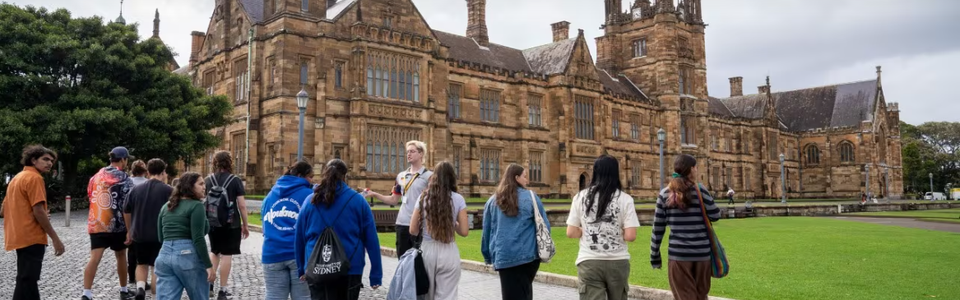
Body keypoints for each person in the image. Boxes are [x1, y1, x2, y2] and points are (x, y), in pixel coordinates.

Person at [295, 159, 382, 300]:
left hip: (316, 265)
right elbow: (371, 239)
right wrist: (376, 274)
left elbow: (299, 238)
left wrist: (301, 268)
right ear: (345, 176)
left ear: (324, 174)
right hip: (350, 266)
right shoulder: (358, 201)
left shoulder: (310, 200)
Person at [565, 155, 640, 300]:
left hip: (589, 260)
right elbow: (630, 236)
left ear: (595, 172)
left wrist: (585, 230)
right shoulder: (626, 199)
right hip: (618, 261)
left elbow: (571, 232)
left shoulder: (580, 197)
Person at [651, 154, 721, 300]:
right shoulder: (701, 190)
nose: (697, 170)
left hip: (679, 255)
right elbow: (715, 215)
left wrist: (655, 255)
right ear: (691, 169)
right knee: (701, 296)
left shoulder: (665, 193)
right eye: (696, 167)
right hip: (702, 255)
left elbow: (658, 229)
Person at [3, 145, 65, 300]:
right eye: (45, 159)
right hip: (32, 236)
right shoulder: (35, 178)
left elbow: (3, 210)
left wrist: (26, 213)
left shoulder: (16, 178)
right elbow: (38, 210)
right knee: (28, 280)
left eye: (51, 161)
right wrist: (55, 239)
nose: (49, 163)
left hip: (18, 236)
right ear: (33, 160)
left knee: (26, 279)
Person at [481, 164, 549, 300]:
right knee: (524, 292)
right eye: (525, 177)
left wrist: (487, 255)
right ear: (516, 178)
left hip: (504, 256)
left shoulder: (492, 201)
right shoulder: (531, 197)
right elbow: (545, 226)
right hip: (528, 257)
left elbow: (487, 231)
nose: (527, 180)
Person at [409, 161, 469, 300]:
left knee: (427, 295)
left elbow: (412, 229)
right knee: (448, 296)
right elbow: (464, 231)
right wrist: (453, 223)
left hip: (427, 251)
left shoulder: (423, 197)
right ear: (452, 177)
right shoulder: (458, 199)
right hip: (449, 251)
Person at [83, 146, 136, 300]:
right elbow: (127, 206)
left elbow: (90, 195)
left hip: (97, 223)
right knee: (121, 255)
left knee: (94, 258)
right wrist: (129, 229)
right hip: (118, 225)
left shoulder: (95, 177)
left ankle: (86, 293)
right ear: (123, 160)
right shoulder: (125, 179)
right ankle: (124, 290)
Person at [364, 140, 433, 256]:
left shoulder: (429, 176)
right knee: (402, 261)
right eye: (407, 152)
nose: (408, 154)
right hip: (402, 223)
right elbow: (393, 200)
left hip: (421, 225)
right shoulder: (401, 176)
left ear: (421, 154)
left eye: (412, 151)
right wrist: (375, 194)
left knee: (421, 262)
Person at [155, 172, 215, 300]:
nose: (204, 187)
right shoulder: (196, 206)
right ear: (190, 186)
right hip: (187, 256)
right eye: (200, 184)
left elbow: (160, 237)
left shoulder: (166, 206)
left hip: (164, 256)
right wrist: (208, 265)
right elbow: (198, 238)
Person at [261, 161, 314, 300]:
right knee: (303, 297)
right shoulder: (309, 195)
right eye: (310, 176)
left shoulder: (270, 195)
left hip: (272, 252)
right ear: (300, 175)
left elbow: (264, 225)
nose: (312, 180)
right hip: (299, 255)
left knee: (273, 296)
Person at [123, 159, 173, 300]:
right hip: (159, 234)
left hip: (139, 233)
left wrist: (129, 230)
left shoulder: (136, 189)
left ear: (148, 172)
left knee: (141, 263)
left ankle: (140, 288)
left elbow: (126, 210)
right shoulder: (169, 190)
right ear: (163, 172)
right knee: (156, 266)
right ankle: (155, 295)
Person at [205, 151, 250, 300]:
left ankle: (209, 285)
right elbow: (242, 205)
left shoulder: (208, 180)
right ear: (229, 162)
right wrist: (245, 225)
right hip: (231, 223)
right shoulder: (235, 180)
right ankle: (223, 290)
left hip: (212, 222)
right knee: (226, 255)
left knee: (214, 252)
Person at [126, 159, 148, 288]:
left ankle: (131, 276)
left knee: (131, 250)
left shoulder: (128, 182)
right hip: (143, 220)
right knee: (142, 252)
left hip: (130, 219)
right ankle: (142, 278)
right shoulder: (147, 183)